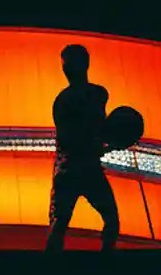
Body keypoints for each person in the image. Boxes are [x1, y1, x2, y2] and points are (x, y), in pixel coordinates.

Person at [45, 44, 119, 252]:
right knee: (109, 219)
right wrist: (104, 144)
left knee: (59, 224)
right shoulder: (92, 96)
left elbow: (80, 136)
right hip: (80, 168)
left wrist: (104, 143)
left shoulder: (67, 100)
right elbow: (85, 135)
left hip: (71, 169)